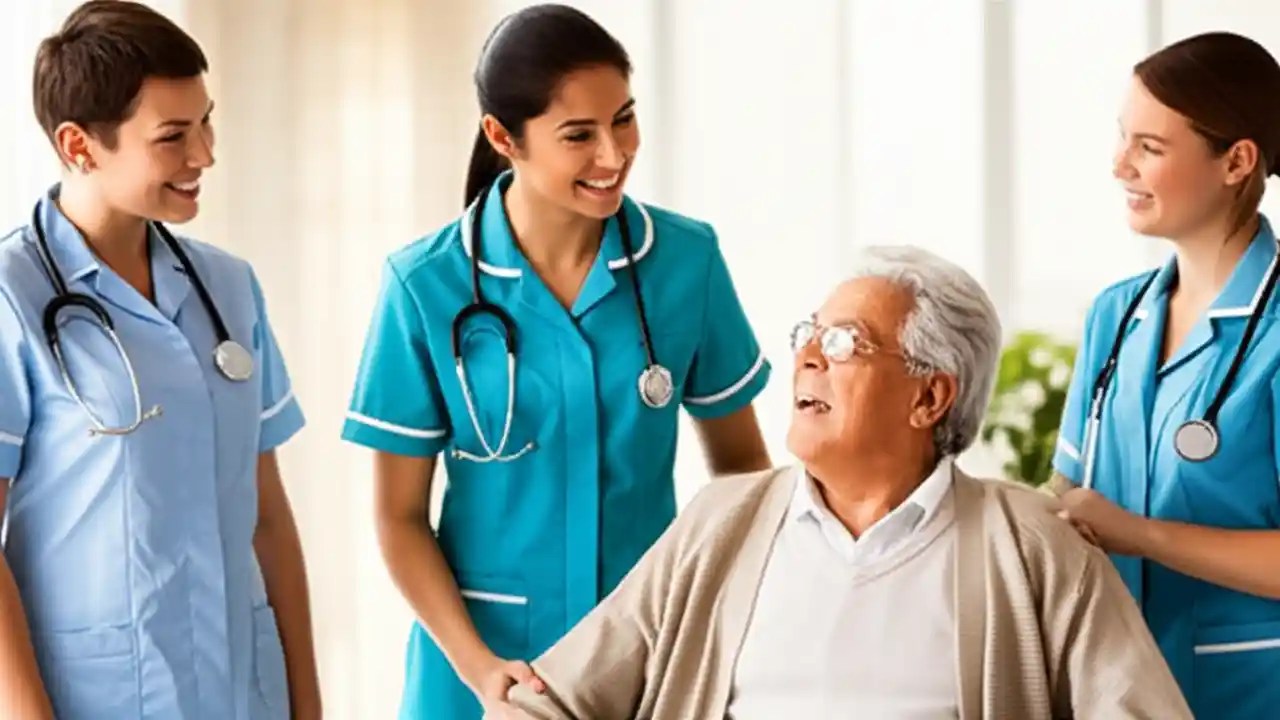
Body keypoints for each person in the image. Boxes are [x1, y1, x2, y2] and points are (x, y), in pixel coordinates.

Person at [489, 245, 1191, 719]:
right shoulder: (721, 522)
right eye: (809, 334)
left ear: (929, 397)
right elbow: (551, 700)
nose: (808, 358)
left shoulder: (1032, 544)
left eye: (844, 342)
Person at [339, 4, 771, 719]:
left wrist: (723, 625)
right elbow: (398, 517)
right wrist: (480, 670)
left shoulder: (685, 261)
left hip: (643, 659)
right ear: (502, 137)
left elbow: (743, 475)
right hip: (480, 671)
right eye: (579, 135)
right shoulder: (425, 285)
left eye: (624, 120)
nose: (614, 155)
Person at [0, 2, 320, 718]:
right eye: (173, 136)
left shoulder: (227, 287)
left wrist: (307, 702)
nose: (204, 154)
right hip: (97, 697)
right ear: (79, 145)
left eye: (206, 122)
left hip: (245, 693)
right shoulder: (12, 298)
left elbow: (266, 513)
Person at [1050, 31, 1280, 719]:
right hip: (1113, 687)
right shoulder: (1116, 315)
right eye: (1123, 138)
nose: (1119, 165)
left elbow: (1116, 525)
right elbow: (1067, 496)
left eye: (1149, 147)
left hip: (1247, 695)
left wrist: (1139, 534)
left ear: (1236, 161)